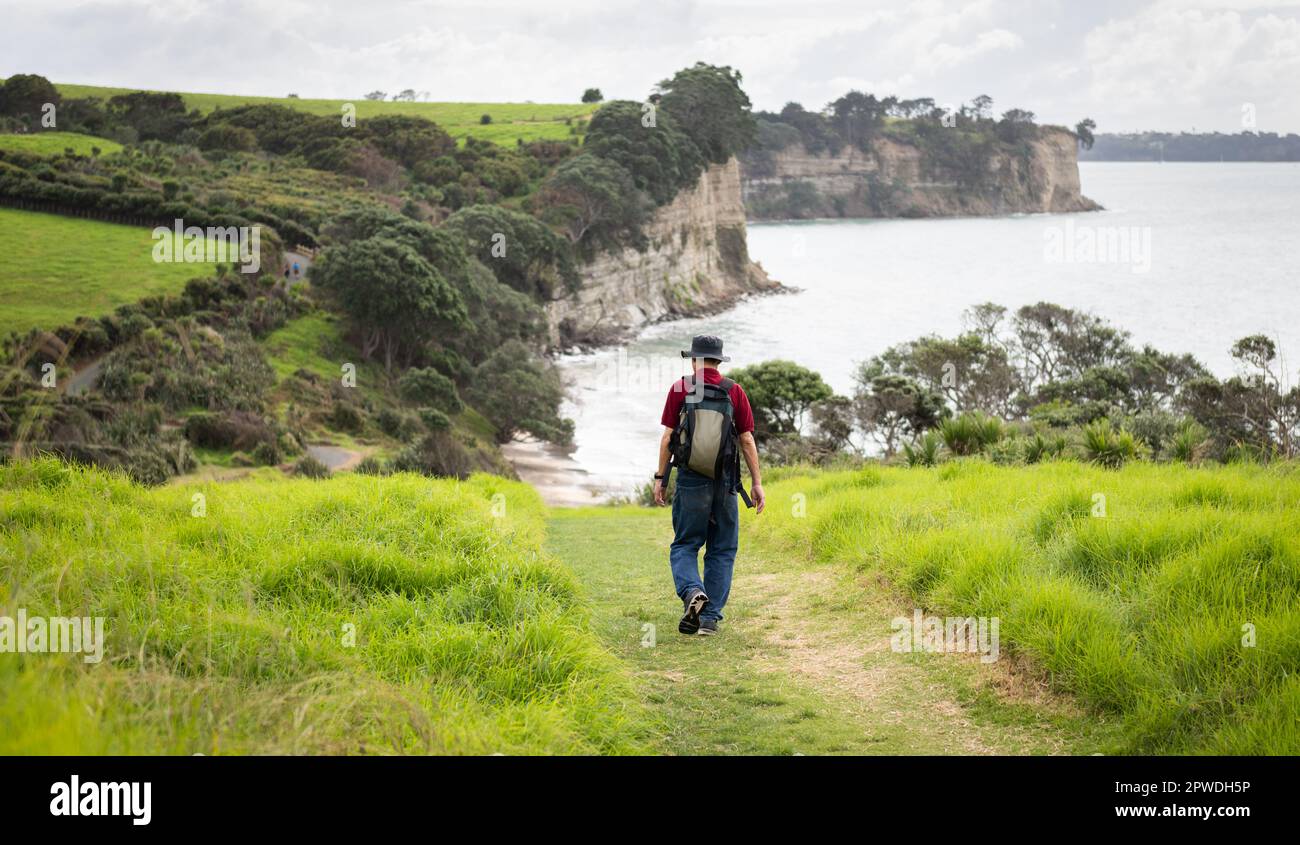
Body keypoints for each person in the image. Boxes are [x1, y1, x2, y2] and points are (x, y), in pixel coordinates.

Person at [654, 335, 765, 636]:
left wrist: (661, 478)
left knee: (685, 544)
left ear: (694, 360)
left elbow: (667, 438)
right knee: (722, 548)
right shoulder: (734, 391)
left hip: (691, 479)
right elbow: (746, 439)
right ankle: (710, 619)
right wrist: (756, 483)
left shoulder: (680, 388)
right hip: (726, 481)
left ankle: (692, 592)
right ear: (718, 361)